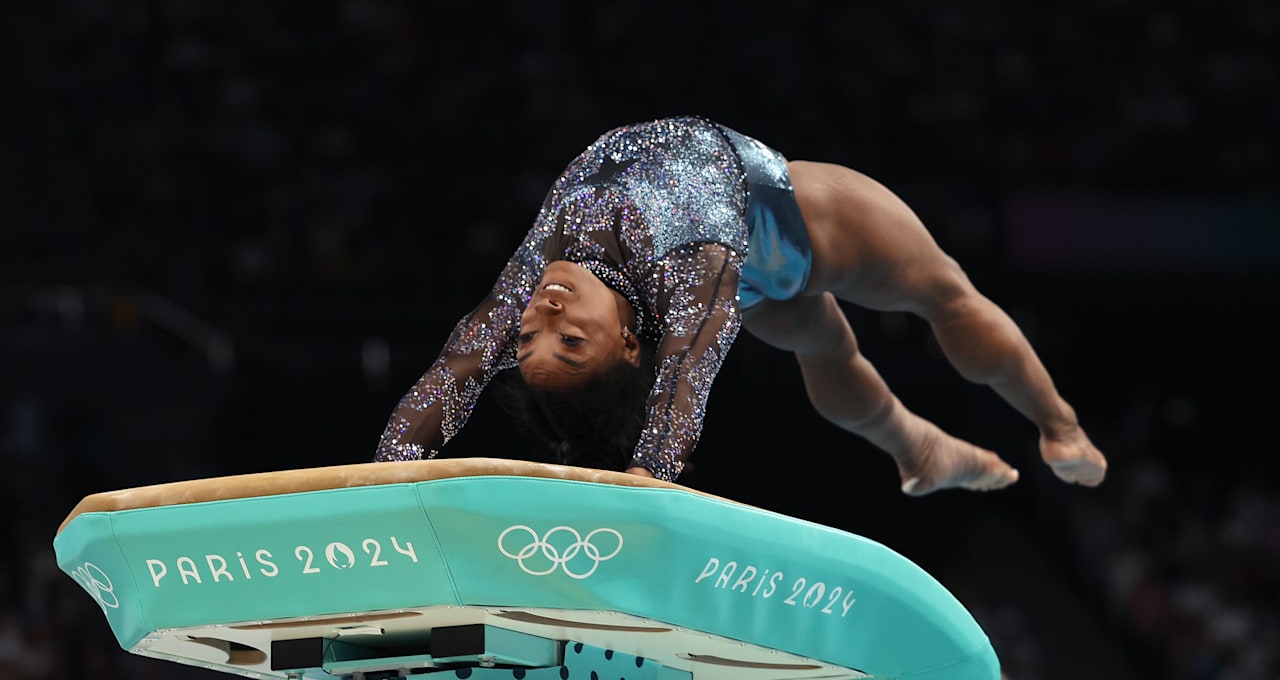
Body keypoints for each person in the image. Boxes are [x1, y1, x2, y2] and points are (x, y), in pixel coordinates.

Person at [373, 116, 1107, 495]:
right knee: (913, 302)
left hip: (750, 245)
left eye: (531, 337)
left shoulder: (540, 267)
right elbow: (679, 404)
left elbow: (454, 370)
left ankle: (1043, 427)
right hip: (796, 227)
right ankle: (969, 441)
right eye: (571, 343)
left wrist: (389, 472)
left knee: (900, 313)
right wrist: (640, 490)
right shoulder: (692, 272)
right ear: (629, 345)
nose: (546, 314)